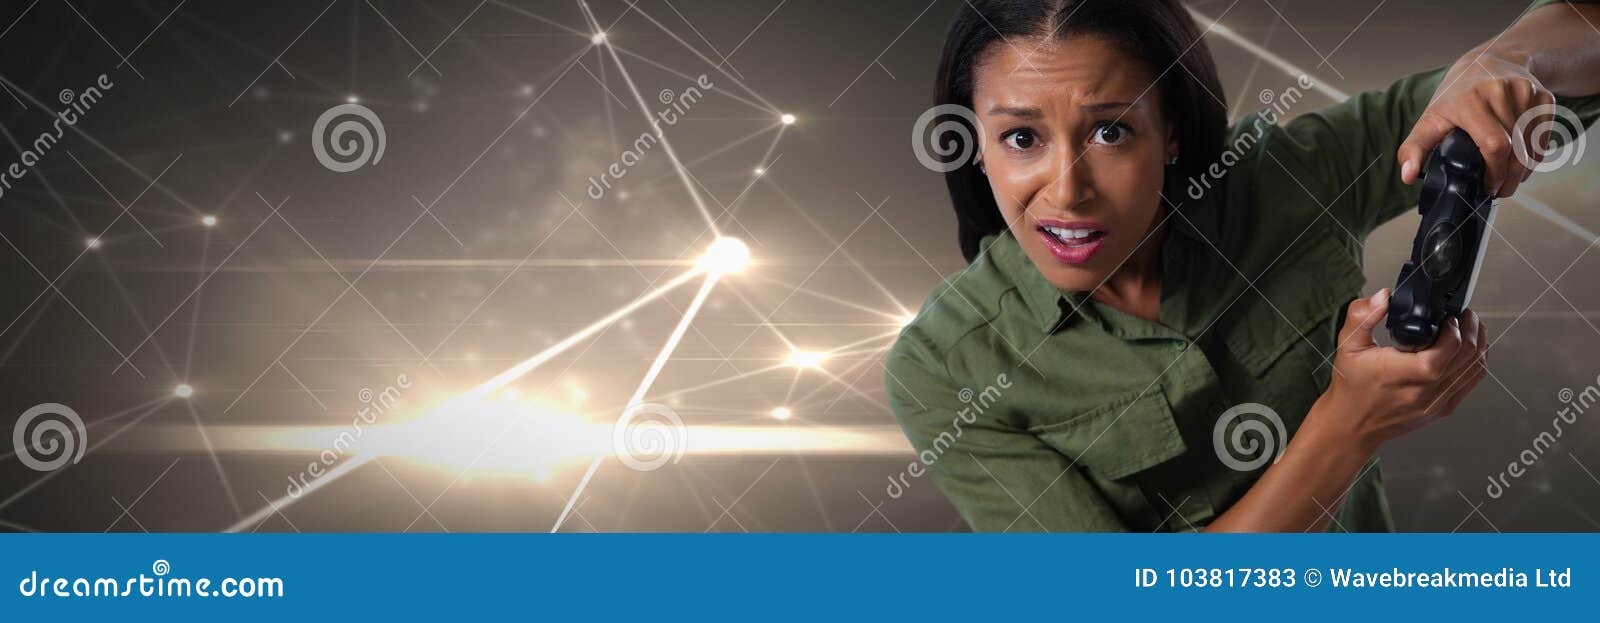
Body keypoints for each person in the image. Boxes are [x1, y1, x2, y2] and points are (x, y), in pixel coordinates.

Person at [886, 0, 1600, 531]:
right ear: (972, 144)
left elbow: (1572, 47)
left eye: (1111, 130)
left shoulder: (1280, 182)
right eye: (1020, 137)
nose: (1069, 189)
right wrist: (1347, 426)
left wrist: (1508, 62)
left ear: (1170, 133)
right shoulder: (948, 368)